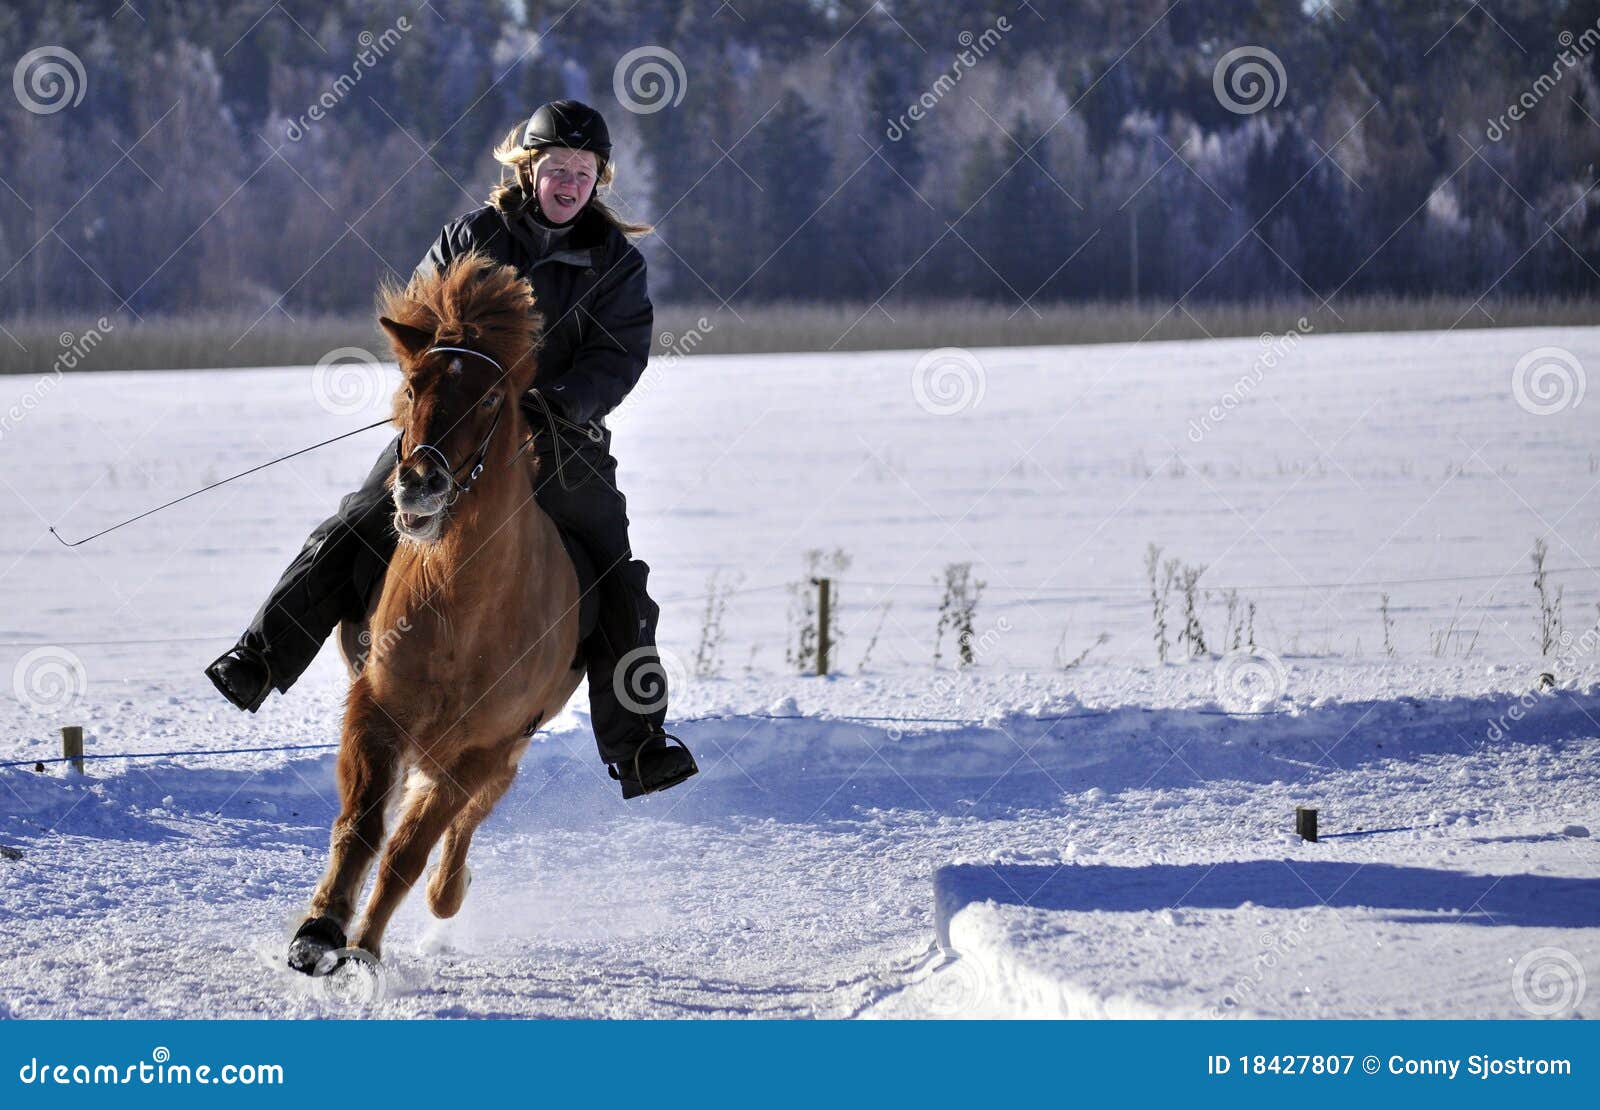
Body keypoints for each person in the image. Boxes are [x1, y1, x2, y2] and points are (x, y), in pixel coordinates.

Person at [204, 99, 696, 799]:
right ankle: (260, 654)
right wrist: (450, 389)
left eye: (584, 172)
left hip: (555, 436)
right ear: (529, 170)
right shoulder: (472, 236)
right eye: (558, 168)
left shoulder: (614, 265)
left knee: (614, 568)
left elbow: (620, 355)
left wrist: (560, 404)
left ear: (600, 180)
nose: (570, 184)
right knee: (358, 518)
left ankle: (639, 743)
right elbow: (418, 318)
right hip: (454, 425)